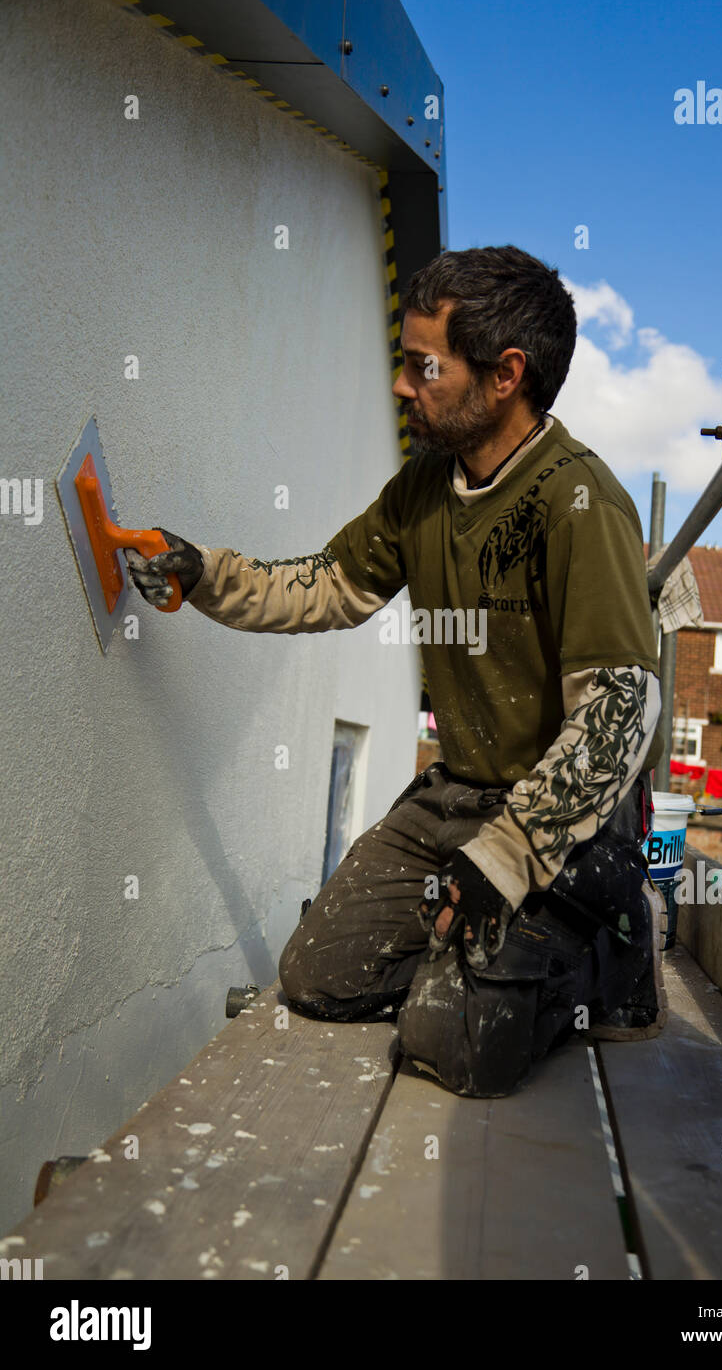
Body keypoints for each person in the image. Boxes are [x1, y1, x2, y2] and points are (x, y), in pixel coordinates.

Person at [126, 244, 668, 1099]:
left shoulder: (579, 503)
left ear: (505, 375)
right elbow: (327, 587)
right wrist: (205, 575)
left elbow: (620, 715)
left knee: (450, 1040)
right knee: (319, 976)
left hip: (561, 826)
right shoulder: (422, 490)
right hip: (454, 796)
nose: (401, 386)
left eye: (425, 365)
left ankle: (608, 950)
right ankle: (485, 956)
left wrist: (504, 861)